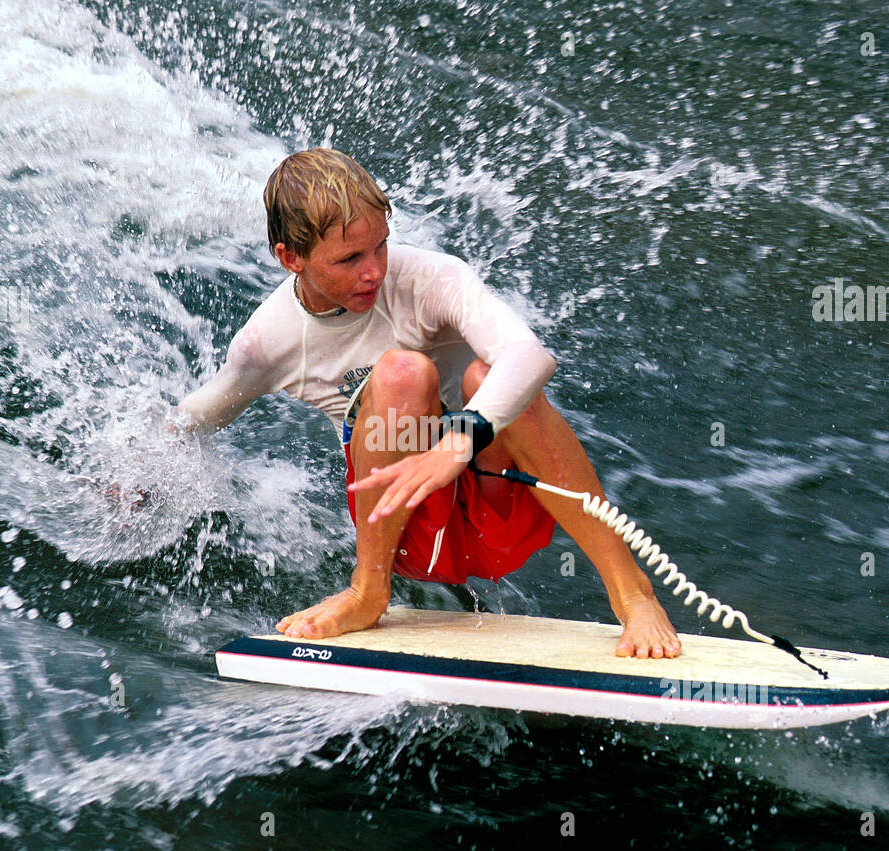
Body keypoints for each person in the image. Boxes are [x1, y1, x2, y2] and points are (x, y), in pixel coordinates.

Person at [171, 148, 681, 658]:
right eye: (349, 259)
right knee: (402, 372)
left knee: (494, 377)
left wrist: (462, 440)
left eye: (381, 247)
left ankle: (633, 593)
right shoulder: (267, 341)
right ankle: (367, 592)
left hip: (497, 505)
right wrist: (138, 474)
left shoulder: (431, 279)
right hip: (409, 531)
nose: (373, 271)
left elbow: (531, 355)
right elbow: (197, 417)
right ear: (290, 258)